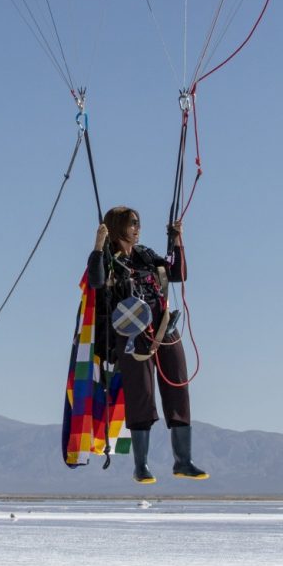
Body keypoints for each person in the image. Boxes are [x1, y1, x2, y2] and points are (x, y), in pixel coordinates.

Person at [89, 205, 208, 483]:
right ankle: (140, 465)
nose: (137, 228)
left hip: (164, 329)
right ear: (118, 226)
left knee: (178, 386)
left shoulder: (145, 255)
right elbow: (95, 281)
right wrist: (98, 244)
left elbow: (178, 274)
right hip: (132, 335)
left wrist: (177, 240)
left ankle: (183, 460)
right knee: (140, 395)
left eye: (138, 222)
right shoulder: (107, 259)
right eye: (132, 223)